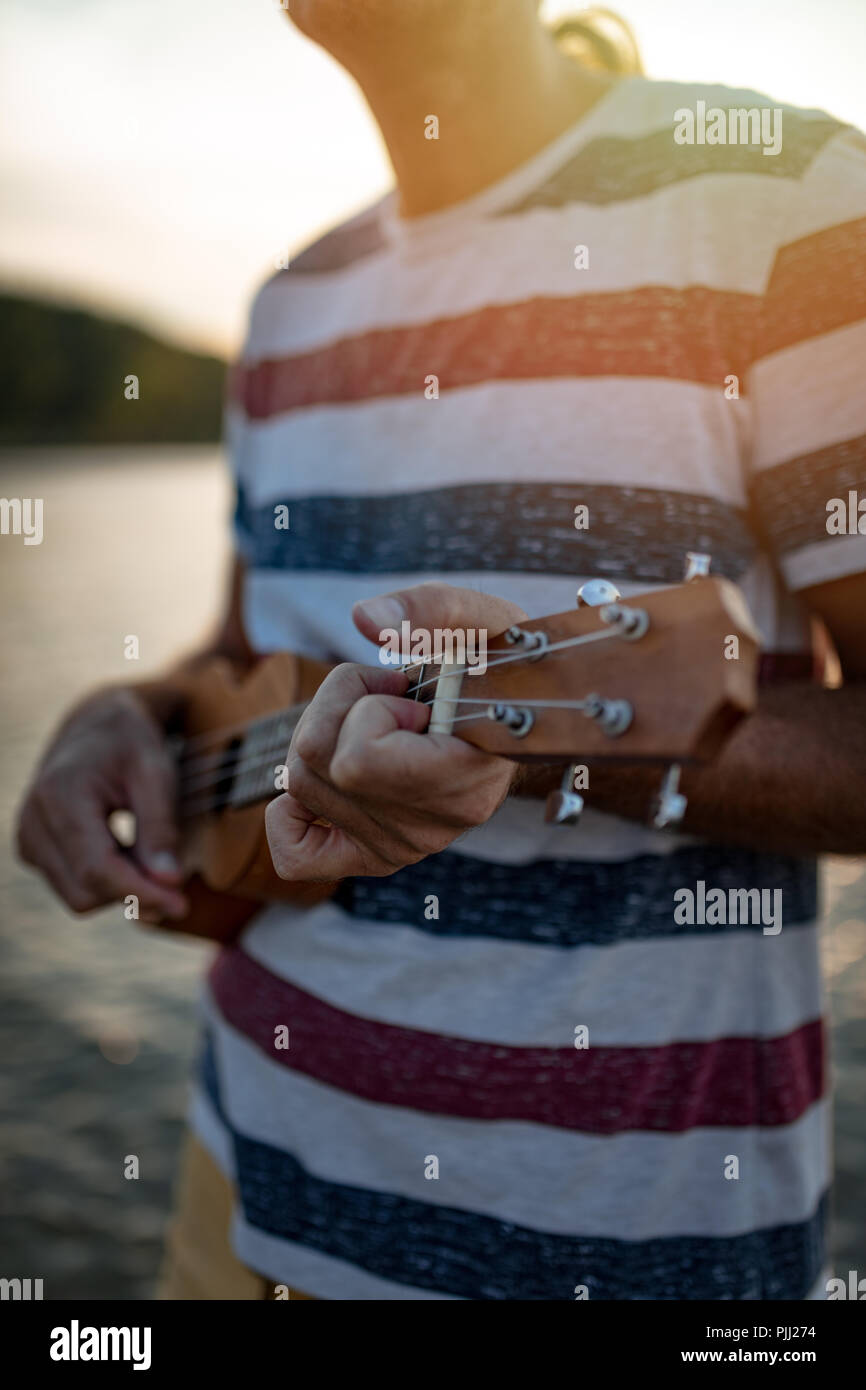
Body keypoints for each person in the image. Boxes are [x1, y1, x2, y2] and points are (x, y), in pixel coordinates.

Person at [17, 2, 866, 1300]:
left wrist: (527, 739)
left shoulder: (787, 203)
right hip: (238, 1174)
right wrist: (108, 714)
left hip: (617, 1254)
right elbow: (244, 651)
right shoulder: (290, 306)